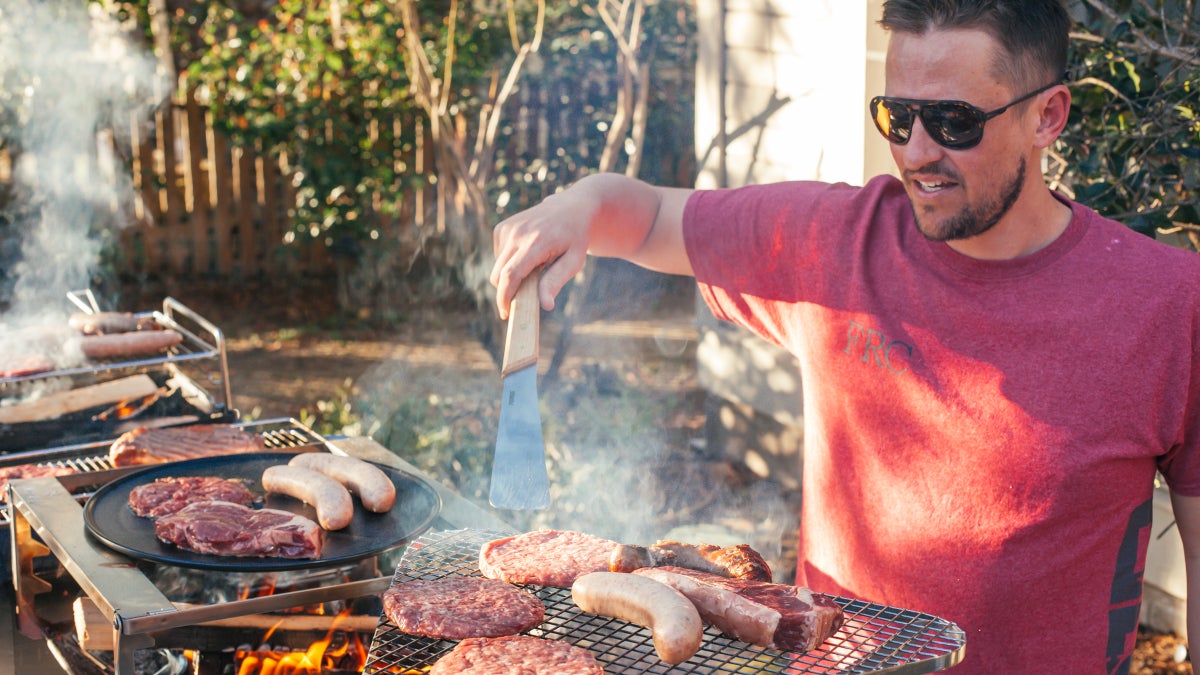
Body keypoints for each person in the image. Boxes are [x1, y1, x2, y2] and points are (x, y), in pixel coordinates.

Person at [489, 0, 1200, 673]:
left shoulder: (1171, 303)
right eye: (898, 116)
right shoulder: (830, 244)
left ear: (1048, 116)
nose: (917, 152)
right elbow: (645, 220)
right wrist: (573, 207)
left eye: (954, 121)